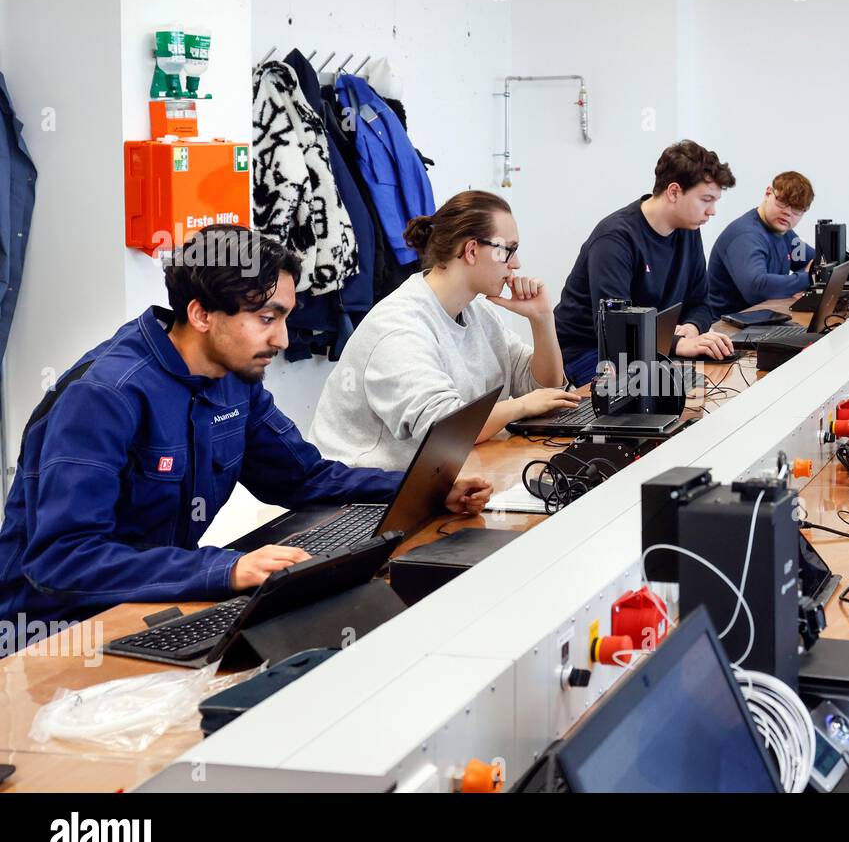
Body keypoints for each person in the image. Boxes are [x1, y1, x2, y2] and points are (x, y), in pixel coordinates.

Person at [0, 226, 491, 630]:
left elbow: (303, 478)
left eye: (285, 318)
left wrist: (421, 489)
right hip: (54, 632)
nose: (282, 339)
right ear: (200, 314)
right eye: (266, 318)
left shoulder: (234, 377)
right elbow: (63, 560)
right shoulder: (105, 396)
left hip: (151, 601)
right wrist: (226, 568)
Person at [310, 191, 579, 463]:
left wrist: (542, 319)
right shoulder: (399, 328)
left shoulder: (478, 312)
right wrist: (520, 406)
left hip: (441, 468)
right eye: (508, 250)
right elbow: (446, 429)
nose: (516, 264)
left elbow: (542, 389)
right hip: (363, 483)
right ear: (471, 250)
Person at [554, 140, 738, 385]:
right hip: (590, 352)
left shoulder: (688, 230)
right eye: (706, 199)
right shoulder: (615, 239)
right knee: (666, 396)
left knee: (709, 385)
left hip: (652, 348)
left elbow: (701, 303)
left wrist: (692, 328)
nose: (712, 211)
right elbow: (614, 331)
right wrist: (678, 344)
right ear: (674, 192)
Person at [707, 171, 816, 318]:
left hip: (762, 318)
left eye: (797, 209)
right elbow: (757, 288)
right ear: (768, 193)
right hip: (728, 326)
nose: (788, 213)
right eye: (783, 202)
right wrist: (806, 279)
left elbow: (819, 260)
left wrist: (805, 278)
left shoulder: (785, 234)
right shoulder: (746, 235)